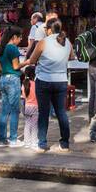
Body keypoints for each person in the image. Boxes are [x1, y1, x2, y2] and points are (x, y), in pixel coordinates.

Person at [26, 20, 72, 153]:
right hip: (61, 81)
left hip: (44, 80)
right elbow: (71, 56)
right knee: (61, 113)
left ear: (49, 30)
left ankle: (42, 143)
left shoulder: (43, 42)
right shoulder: (67, 42)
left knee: (43, 113)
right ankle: (64, 143)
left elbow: (33, 60)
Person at [0, 26, 26, 147]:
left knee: (4, 111)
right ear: (14, 37)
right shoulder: (13, 48)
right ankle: (13, 139)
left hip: (3, 79)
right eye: (20, 38)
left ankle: (2, 139)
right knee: (15, 110)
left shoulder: (3, 48)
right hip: (13, 80)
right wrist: (27, 62)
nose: (20, 40)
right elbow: (16, 66)